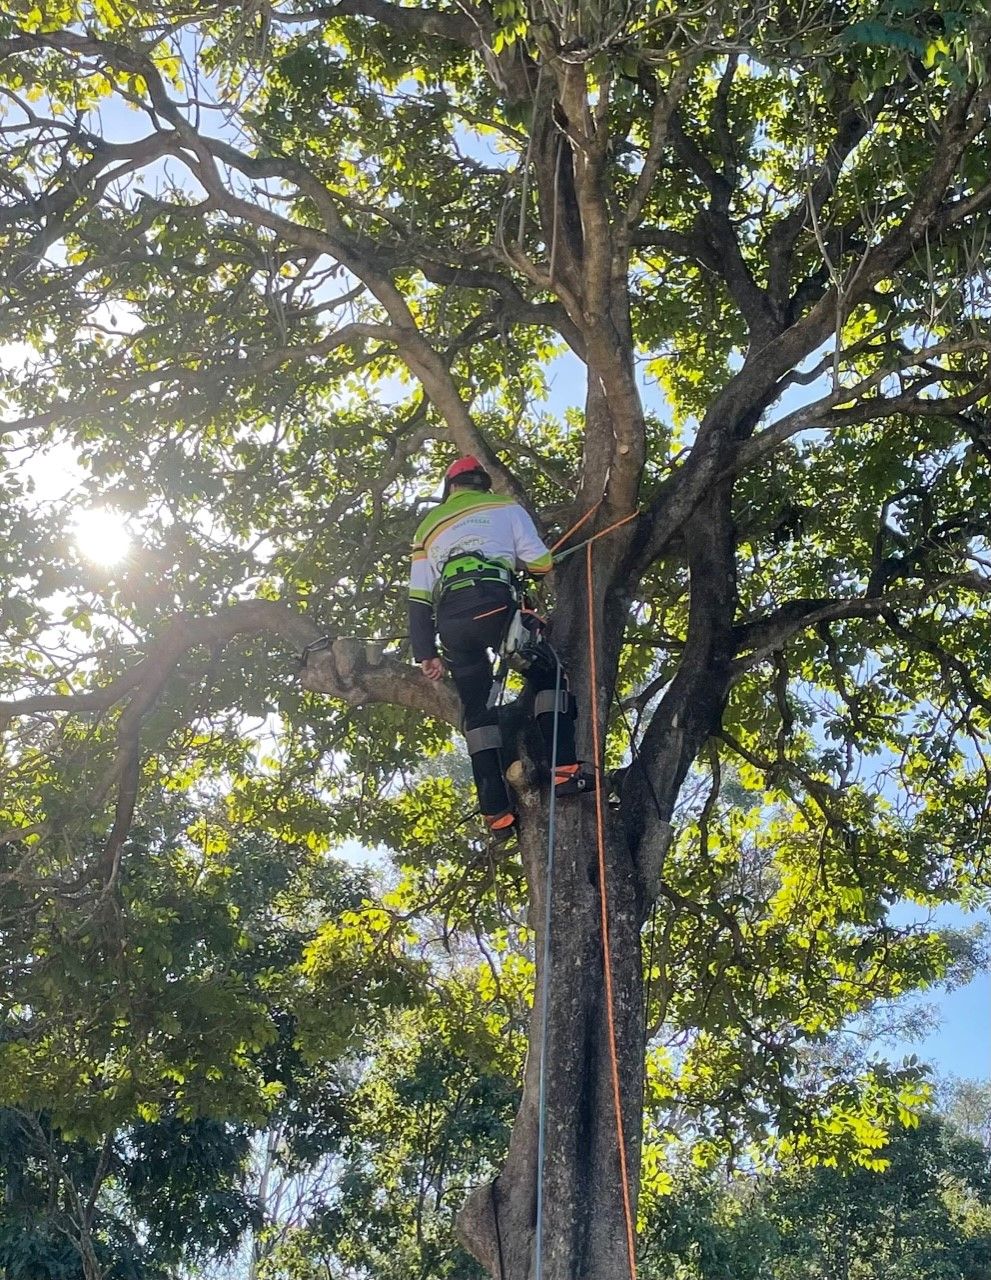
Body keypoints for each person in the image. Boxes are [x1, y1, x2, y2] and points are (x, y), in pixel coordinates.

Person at [408, 456, 595, 841]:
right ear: (482, 484)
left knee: (477, 710)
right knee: (549, 673)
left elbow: (418, 597)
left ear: (450, 488)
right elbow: (540, 561)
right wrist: (532, 568)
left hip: (452, 622)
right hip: (495, 605)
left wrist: (426, 652)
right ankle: (564, 771)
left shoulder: (427, 528)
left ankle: (496, 813)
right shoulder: (506, 507)